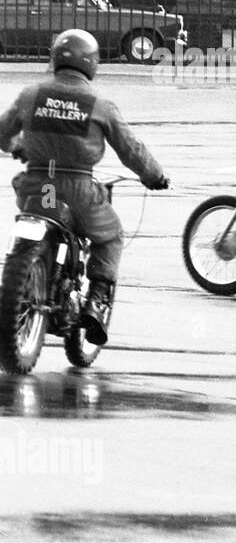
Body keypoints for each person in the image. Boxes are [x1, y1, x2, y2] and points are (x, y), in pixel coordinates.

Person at [0, 29, 169, 344]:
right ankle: (97, 301)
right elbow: (131, 149)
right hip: (78, 190)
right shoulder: (99, 104)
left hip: (36, 187)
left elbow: (3, 133)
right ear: (91, 63)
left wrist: (19, 146)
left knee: (39, 219)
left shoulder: (30, 94)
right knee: (111, 236)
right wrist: (154, 175)